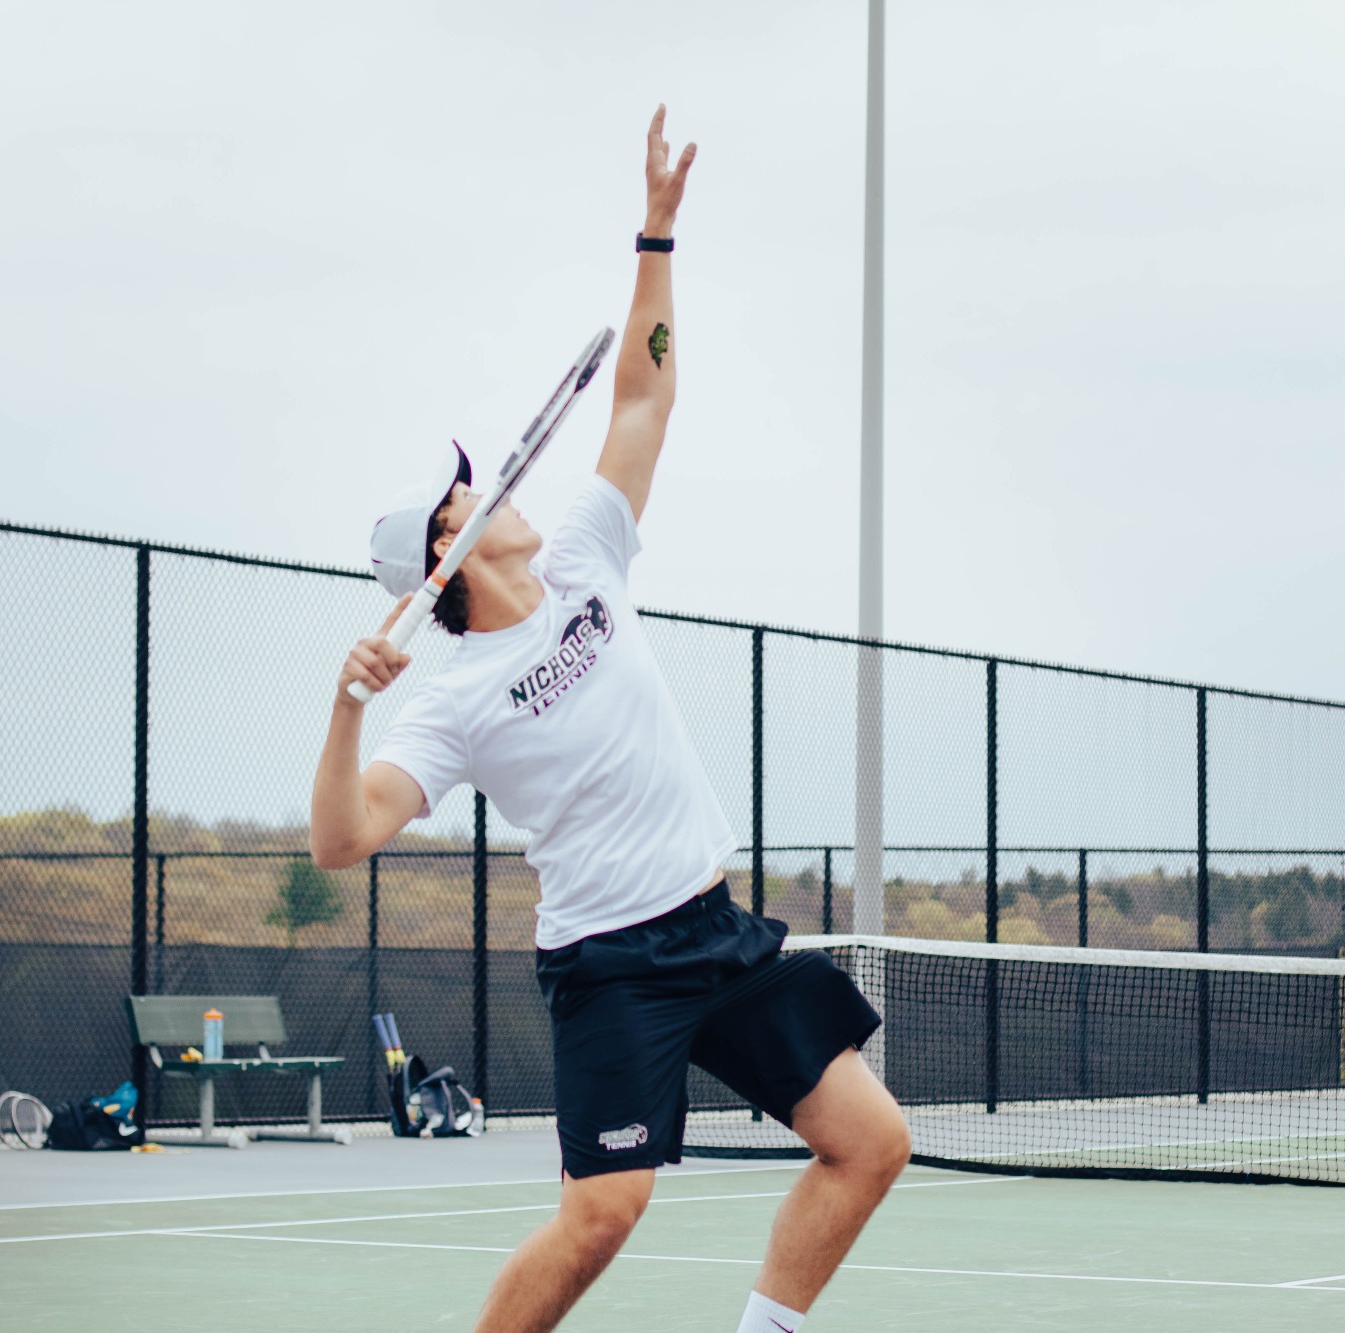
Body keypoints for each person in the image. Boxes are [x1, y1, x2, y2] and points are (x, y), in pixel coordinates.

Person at [311, 107, 910, 1333]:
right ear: (447, 550)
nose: (497, 486)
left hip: (712, 928)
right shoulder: (451, 699)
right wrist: (344, 708)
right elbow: (341, 838)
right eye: (469, 493)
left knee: (871, 1141)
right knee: (602, 1214)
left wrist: (656, 234)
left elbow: (641, 398)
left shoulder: (584, 551)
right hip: (611, 966)